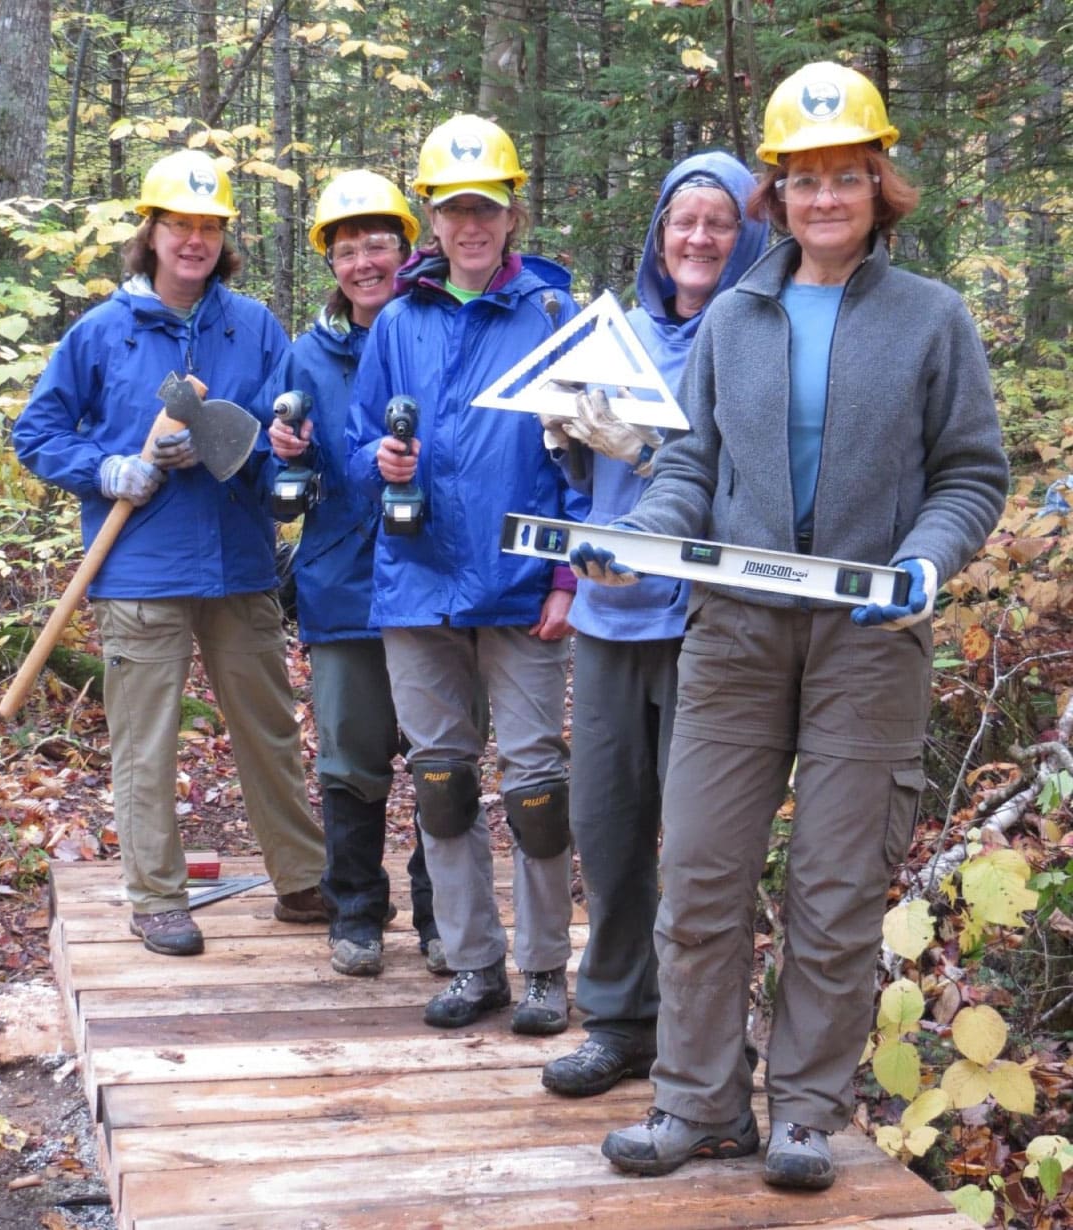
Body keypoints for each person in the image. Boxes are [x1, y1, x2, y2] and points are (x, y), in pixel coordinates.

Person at [583, 62, 1008, 1188]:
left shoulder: (933, 320)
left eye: (846, 178)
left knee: (831, 891)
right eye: (803, 180)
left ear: (879, 183)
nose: (825, 199)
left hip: (868, 644)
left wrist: (926, 559)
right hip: (735, 636)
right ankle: (696, 1105)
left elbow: (970, 475)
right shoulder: (734, 314)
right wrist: (640, 541)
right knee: (704, 874)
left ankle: (807, 1113)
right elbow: (689, 467)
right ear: (776, 191)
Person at [13, 149, 327, 957]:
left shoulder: (252, 326)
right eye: (180, 225)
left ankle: (300, 879)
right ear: (149, 233)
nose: (194, 240)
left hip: (241, 561)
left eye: (209, 227)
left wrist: (259, 450)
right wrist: (104, 466)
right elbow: (37, 433)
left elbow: (278, 443)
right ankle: (156, 896)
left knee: (270, 731)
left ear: (226, 238)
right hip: (140, 571)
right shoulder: (102, 333)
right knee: (146, 742)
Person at [346, 114, 583, 1034]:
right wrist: (382, 463)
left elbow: (587, 462)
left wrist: (566, 578)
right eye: (454, 210)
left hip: (522, 584)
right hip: (415, 581)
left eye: (486, 207)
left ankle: (546, 971)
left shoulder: (556, 315)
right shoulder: (398, 321)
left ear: (512, 211)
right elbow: (359, 439)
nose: (471, 225)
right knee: (441, 778)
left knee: (535, 787)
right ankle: (475, 963)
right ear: (431, 220)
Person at [539, 152, 767, 1098]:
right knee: (608, 827)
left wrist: (645, 450)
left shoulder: (759, 336)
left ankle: (704, 1036)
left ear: (747, 235)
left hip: (709, 625)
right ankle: (621, 1022)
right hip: (609, 618)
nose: (699, 238)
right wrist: (558, 436)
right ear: (658, 235)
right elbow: (570, 482)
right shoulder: (615, 337)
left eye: (719, 221)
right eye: (684, 221)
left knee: (703, 847)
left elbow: (750, 480)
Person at [269, 170, 449, 978]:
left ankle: (443, 914)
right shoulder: (306, 353)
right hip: (343, 580)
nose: (364, 261)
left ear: (408, 247)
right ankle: (356, 913)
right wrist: (289, 461)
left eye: (378, 243)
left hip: (442, 575)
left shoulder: (443, 328)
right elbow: (287, 485)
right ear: (331, 265)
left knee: (445, 754)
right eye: (346, 250)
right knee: (349, 755)